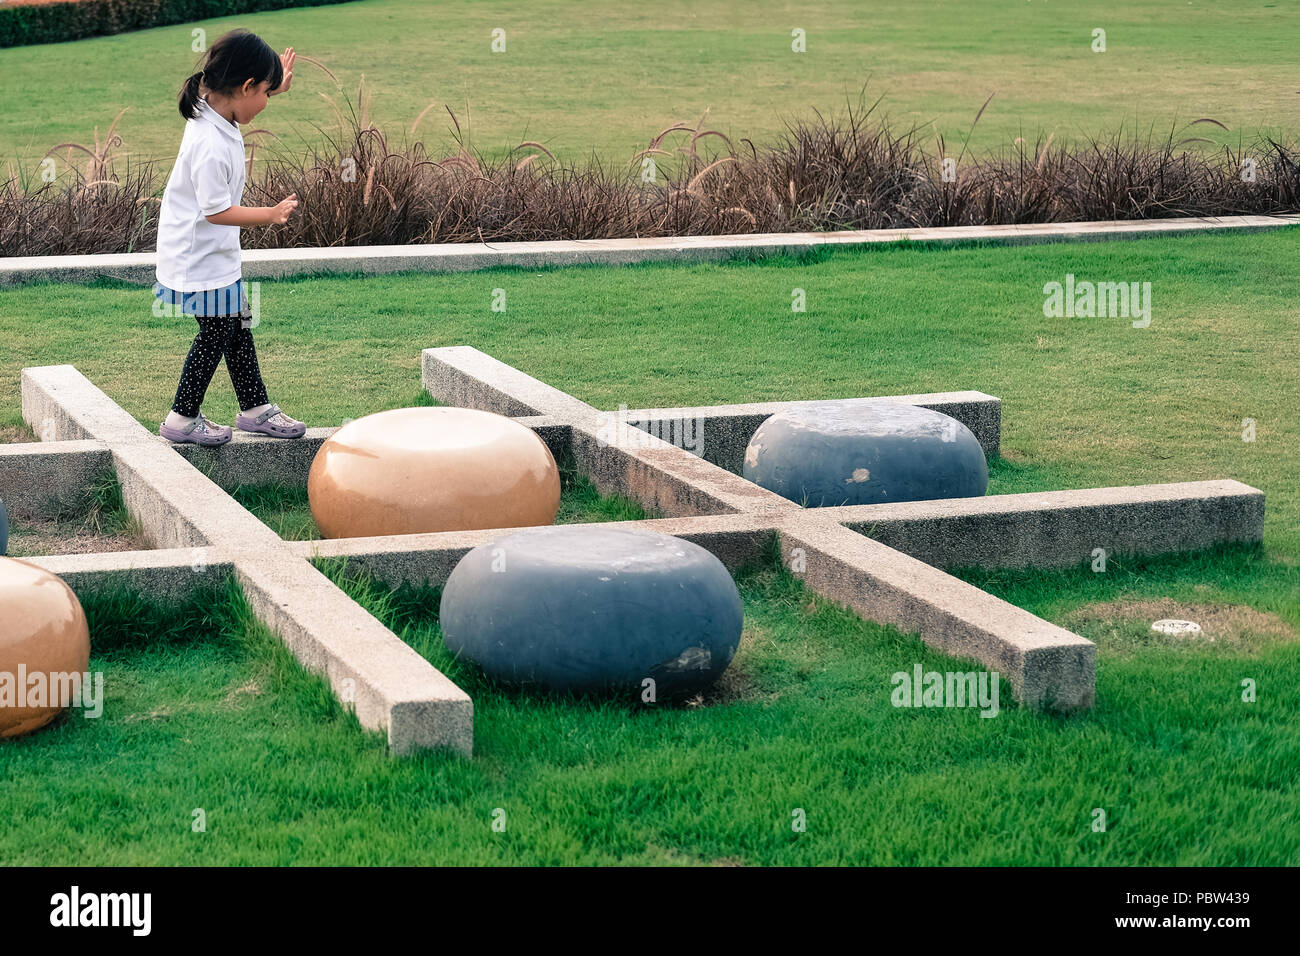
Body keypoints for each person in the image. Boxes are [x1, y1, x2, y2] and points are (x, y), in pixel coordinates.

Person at [155, 28, 304, 446]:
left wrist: (276, 83)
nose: (267, 103)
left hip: (213, 254)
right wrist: (270, 215)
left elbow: (237, 94)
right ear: (244, 86)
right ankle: (182, 418)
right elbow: (217, 211)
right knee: (217, 332)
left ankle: (255, 408)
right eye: (266, 95)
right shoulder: (209, 143)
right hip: (197, 256)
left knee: (236, 325)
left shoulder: (212, 106)